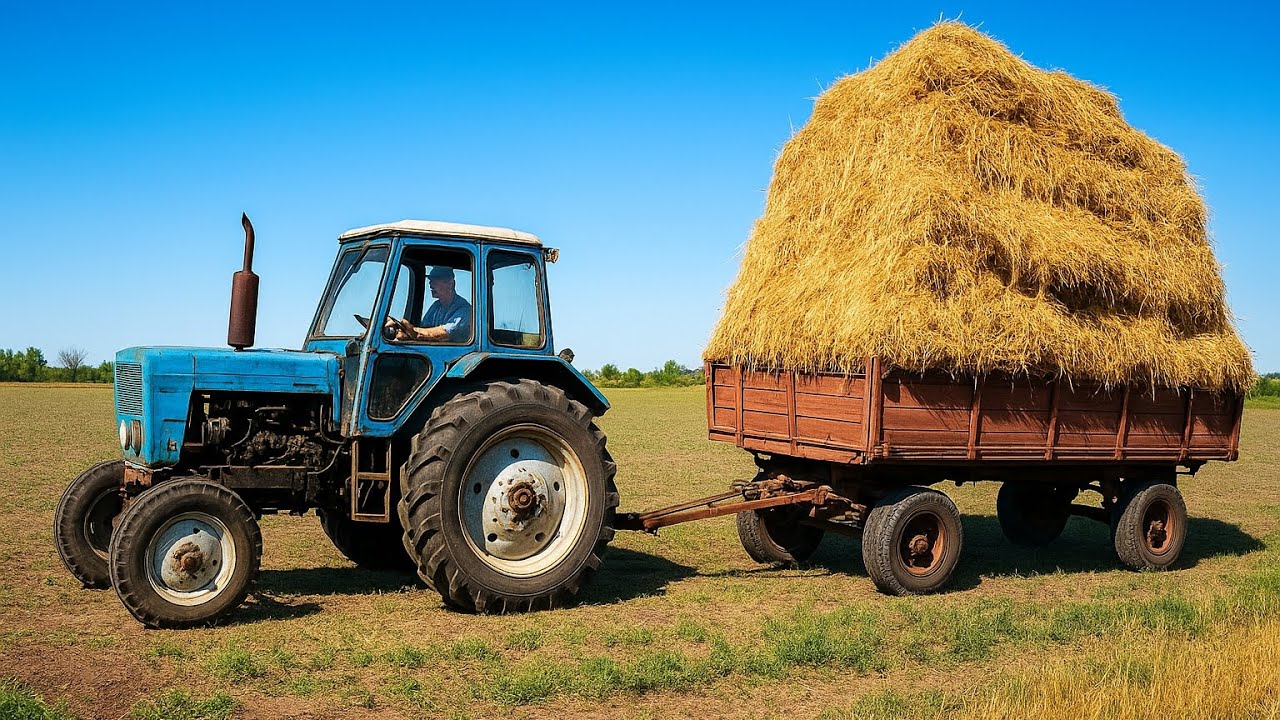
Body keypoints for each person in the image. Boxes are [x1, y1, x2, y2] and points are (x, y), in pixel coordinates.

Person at [393, 266, 472, 342]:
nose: (430, 284)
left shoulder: (466, 311)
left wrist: (412, 331)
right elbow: (424, 327)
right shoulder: (436, 307)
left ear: (450, 284)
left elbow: (444, 333)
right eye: (430, 280)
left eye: (435, 280)